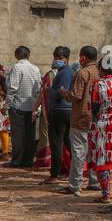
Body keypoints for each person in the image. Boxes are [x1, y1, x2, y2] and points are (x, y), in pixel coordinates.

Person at [62, 45, 101, 196]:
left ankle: (74, 185)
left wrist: (65, 93)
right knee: (93, 150)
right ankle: (94, 181)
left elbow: (76, 96)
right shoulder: (99, 72)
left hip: (80, 117)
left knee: (78, 152)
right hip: (96, 118)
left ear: (83, 57)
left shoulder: (82, 73)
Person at [88, 66, 112, 204]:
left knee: (103, 159)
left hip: (103, 124)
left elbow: (95, 107)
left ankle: (106, 194)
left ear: (102, 70)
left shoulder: (98, 84)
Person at [41, 46, 75, 185]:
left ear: (66, 59)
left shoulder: (64, 73)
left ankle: (54, 174)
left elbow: (63, 93)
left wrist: (50, 91)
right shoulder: (65, 72)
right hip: (65, 111)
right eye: (56, 57)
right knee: (67, 142)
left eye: (60, 58)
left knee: (57, 143)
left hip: (60, 111)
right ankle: (71, 171)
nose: (57, 60)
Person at [4, 45, 41, 169]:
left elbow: (13, 88)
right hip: (31, 106)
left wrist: (7, 104)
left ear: (16, 56)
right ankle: (28, 160)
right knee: (30, 135)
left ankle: (17, 161)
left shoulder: (17, 67)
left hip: (18, 106)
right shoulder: (35, 68)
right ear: (28, 55)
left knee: (18, 135)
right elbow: (38, 89)